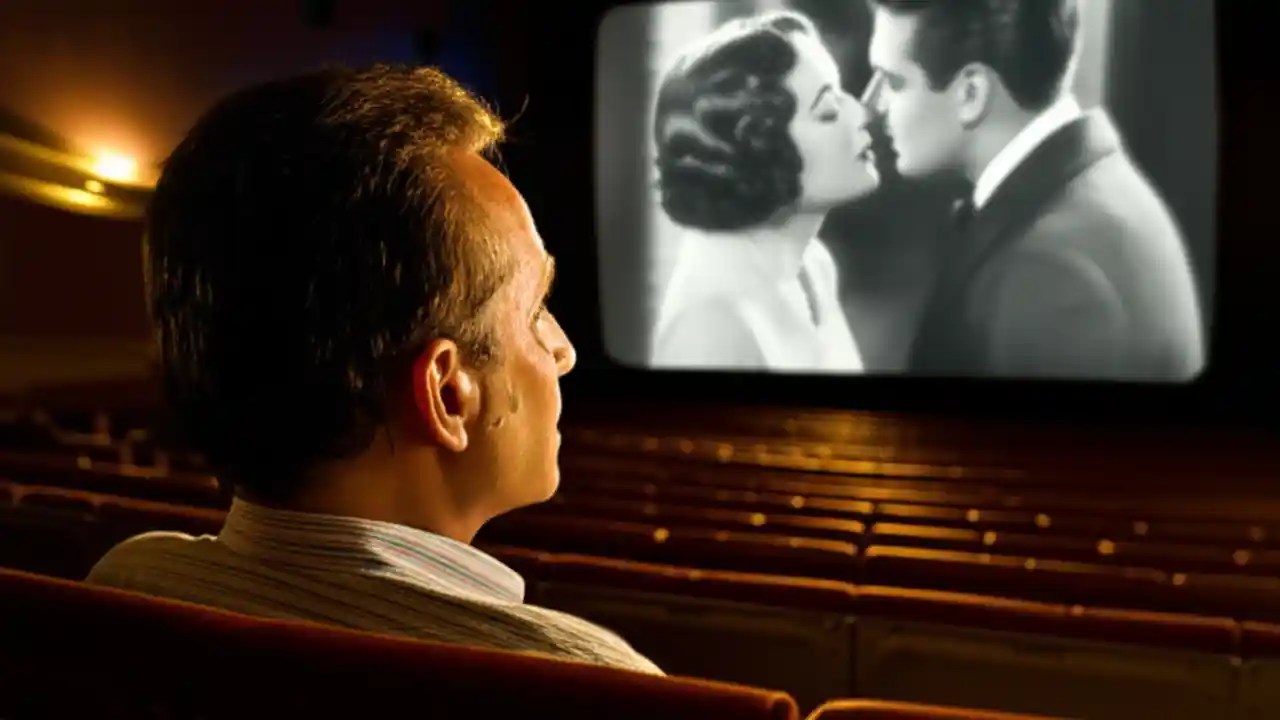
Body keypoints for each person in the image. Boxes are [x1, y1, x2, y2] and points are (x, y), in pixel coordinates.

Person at [85, 65, 662, 675]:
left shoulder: (125, 585)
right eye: (536, 310)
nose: (563, 349)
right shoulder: (597, 685)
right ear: (447, 393)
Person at [863, 0, 1205, 381]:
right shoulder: (1084, 190)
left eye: (893, 82)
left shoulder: (1053, 275)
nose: (871, 104)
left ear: (971, 94)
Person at [649, 10, 880, 373]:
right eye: (829, 109)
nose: (862, 114)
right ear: (761, 149)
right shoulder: (711, 326)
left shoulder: (814, 265)